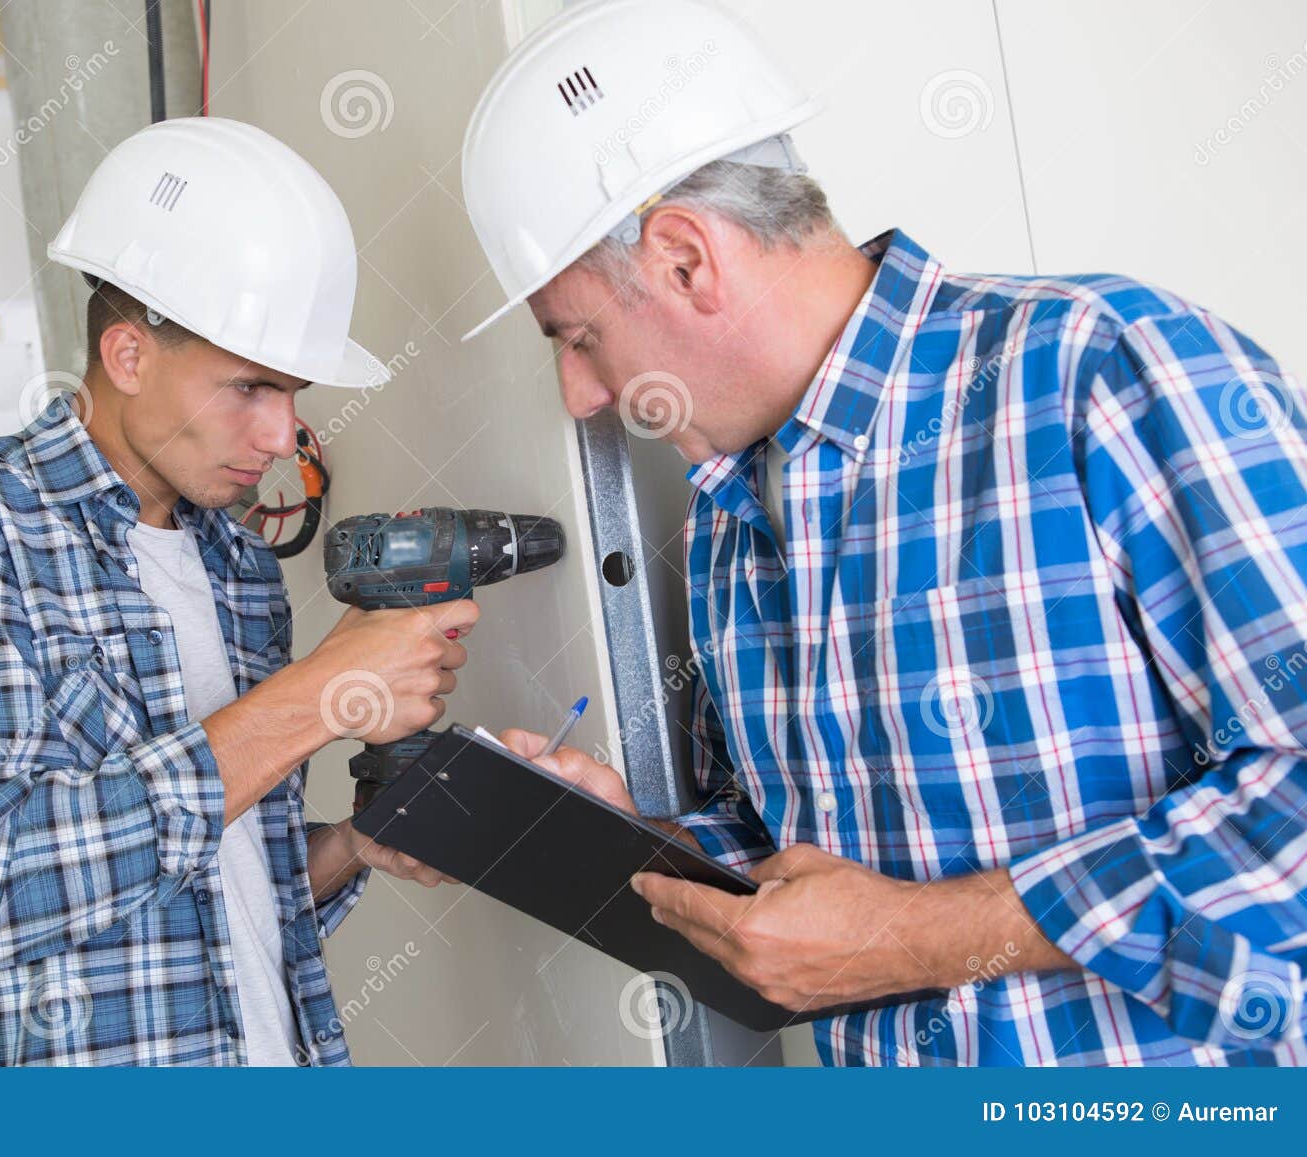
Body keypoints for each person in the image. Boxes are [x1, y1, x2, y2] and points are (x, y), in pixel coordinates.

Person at [467, 0, 1307, 1065]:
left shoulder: (1097, 370)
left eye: (579, 336)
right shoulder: (730, 524)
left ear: (684, 259)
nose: (578, 392)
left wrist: (923, 938)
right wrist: (649, 847)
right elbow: (829, 872)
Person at [0, 118, 468, 1066]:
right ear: (129, 356)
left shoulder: (240, 563)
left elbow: (208, 900)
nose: (281, 437)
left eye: (293, 393)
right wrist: (313, 697)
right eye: (250, 388)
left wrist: (348, 848)